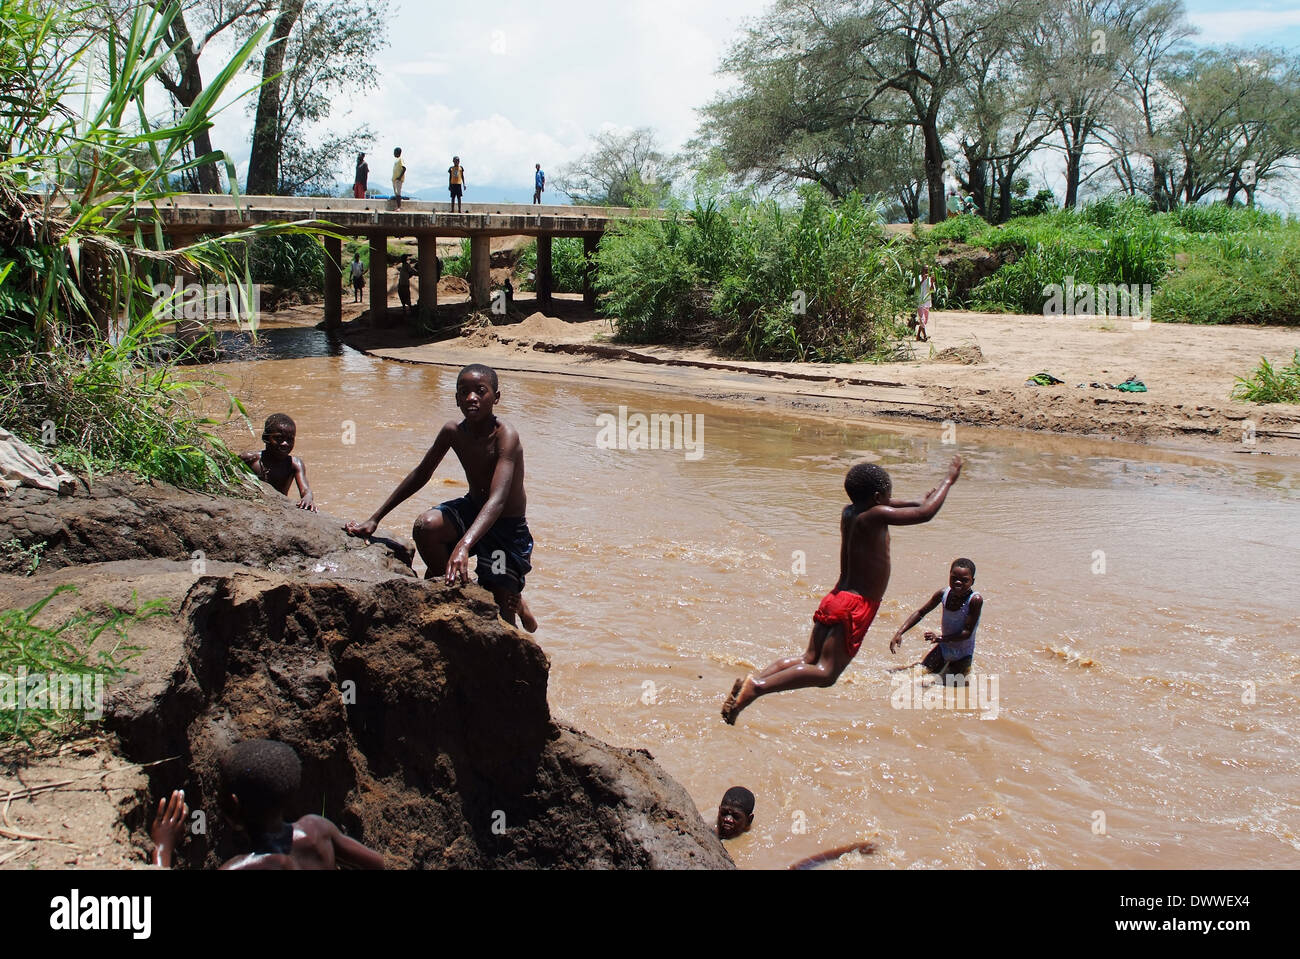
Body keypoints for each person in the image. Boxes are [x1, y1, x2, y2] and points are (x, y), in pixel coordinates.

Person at [721, 456, 963, 725]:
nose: (889, 500)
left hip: (835, 598)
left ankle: (755, 682)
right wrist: (949, 480)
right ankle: (757, 688)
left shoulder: (851, 511)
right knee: (825, 673)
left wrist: (923, 496)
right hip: (855, 605)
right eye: (887, 496)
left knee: (808, 658)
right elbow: (925, 513)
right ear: (876, 497)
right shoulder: (876, 515)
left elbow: (913, 503)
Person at [345, 364, 539, 633]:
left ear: (496, 397)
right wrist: (374, 519)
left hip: (504, 527)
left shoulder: (506, 436)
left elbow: (498, 500)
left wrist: (463, 546)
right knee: (427, 526)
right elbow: (421, 474)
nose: (471, 398)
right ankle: (452, 591)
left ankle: (518, 604)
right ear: (456, 398)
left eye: (480, 391)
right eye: (464, 392)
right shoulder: (453, 432)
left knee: (501, 613)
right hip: (473, 509)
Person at [149, 741, 385, 870]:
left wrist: (163, 848)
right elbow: (377, 863)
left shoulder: (238, 868)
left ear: (233, 805)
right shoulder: (318, 830)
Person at [890, 558, 983, 680]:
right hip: (943, 648)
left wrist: (939, 638)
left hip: (962, 655)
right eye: (954, 578)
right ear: (949, 576)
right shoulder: (943, 593)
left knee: (946, 685)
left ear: (972, 581)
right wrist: (899, 632)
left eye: (964, 580)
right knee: (916, 673)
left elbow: (966, 633)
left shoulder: (975, 600)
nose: (958, 582)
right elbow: (921, 612)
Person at [241, 413, 316, 511]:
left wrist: (308, 498)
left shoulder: (294, 464)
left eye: (290, 439)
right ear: (265, 438)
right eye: (279, 438)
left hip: (280, 508)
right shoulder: (250, 459)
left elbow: (305, 490)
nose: (285, 444)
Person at [915, 266, 933, 342]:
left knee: (925, 321)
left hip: (927, 301)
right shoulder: (918, 278)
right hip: (920, 301)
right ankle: (925, 336)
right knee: (922, 319)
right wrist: (922, 280)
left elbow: (932, 290)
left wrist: (932, 282)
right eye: (925, 270)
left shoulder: (929, 279)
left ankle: (918, 336)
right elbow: (916, 287)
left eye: (927, 270)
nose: (926, 272)